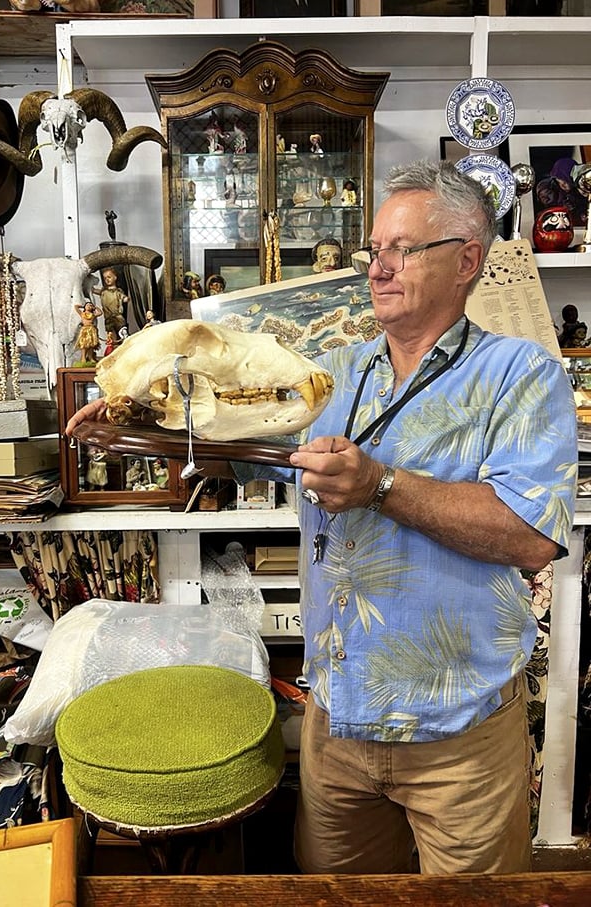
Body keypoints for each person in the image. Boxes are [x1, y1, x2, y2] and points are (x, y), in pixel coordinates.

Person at [65, 160, 578, 876]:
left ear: (466, 260)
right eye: (375, 249)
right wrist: (132, 429)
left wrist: (381, 483)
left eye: (403, 248)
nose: (378, 267)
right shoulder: (331, 374)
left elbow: (531, 534)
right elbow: (234, 449)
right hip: (337, 727)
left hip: (457, 738)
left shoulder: (520, 376)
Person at [93, 266, 129, 338]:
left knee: (121, 330)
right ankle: (113, 344)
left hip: (117, 316)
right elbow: (98, 291)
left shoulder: (118, 291)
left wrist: (125, 299)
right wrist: (92, 290)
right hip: (108, 317)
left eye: (109, 277)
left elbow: (123, 297)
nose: (107, 280)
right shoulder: (104, 291)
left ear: (115, 277)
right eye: (105, 278)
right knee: (111, 334)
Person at [73, 299, 102, 364]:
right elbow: (76, 307)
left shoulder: (93, 314)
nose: (89, 306)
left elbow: (100, 313)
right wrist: (83, 306)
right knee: (84, 344)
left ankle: (90, 357)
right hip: (85, 330)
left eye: (90, 305)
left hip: (91, 330)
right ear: (85, 307)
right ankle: (83, 357)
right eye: (87, 305)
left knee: (91, 345)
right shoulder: (82, 313)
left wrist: (95, 307)